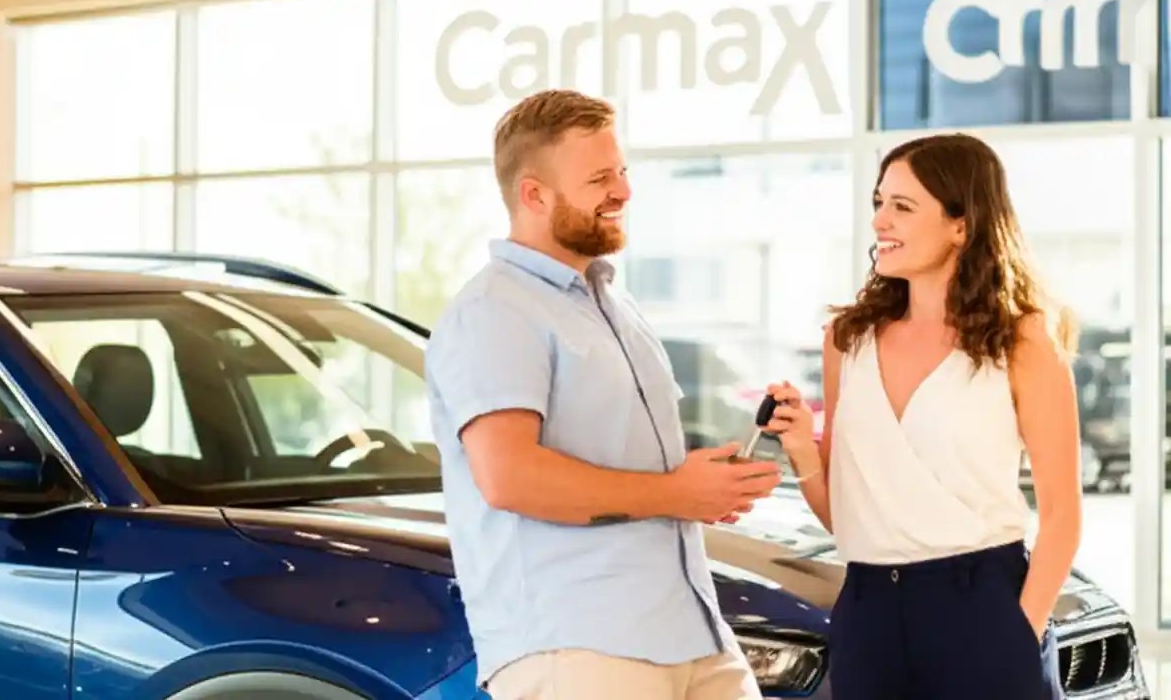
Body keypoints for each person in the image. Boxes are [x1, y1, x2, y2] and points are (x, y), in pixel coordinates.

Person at [424, 88, 780, 700]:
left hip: (689, 631)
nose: (623, 191)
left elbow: (628, 466)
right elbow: (510, 476)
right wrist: (674, 492)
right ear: (533, 194)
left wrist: (702, 485)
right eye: (599, 178)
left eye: (621, 172)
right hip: (578, 646)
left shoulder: (612, 303)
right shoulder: (493, 310)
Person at [758, 133, 1079, 699]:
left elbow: (1063, 517)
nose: (881, 220)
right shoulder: (847, 339)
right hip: (867, 611)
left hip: (982, 605)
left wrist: (1017, 631)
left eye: (902, 207)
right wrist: (806, 453)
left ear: (962, 223)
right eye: (879, 203)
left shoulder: (1021, 339)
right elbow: (852, 521)